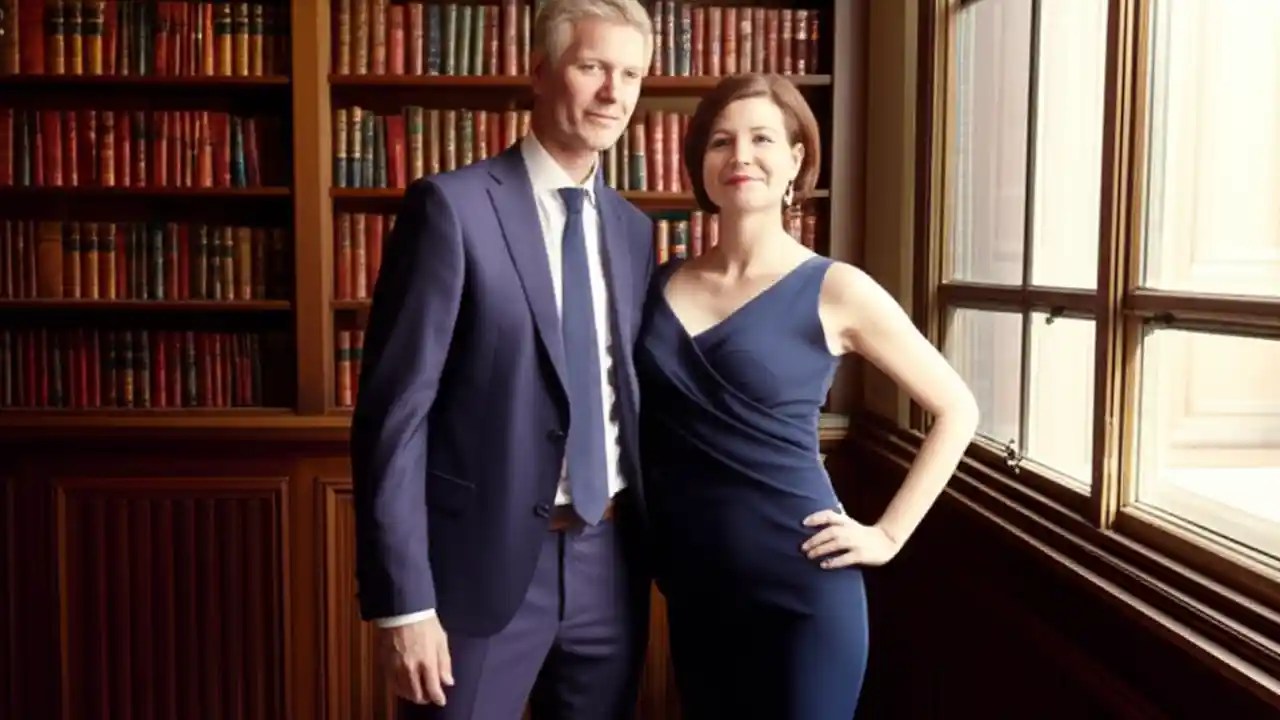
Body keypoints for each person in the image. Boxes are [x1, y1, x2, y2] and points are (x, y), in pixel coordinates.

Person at [636, 73, 981, 719]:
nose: (740, 155)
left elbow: (958, 408)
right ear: (700, 165)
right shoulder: (656, 284)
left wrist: (888, 535)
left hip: (801, 585)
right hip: (692, 589)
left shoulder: (837, 288)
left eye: (762, 138)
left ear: (796, 159)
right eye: (720, 141)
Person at [349, 2, 656, 718]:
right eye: (592, 67)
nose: (614, 92)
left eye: (631, 73)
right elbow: (395, 419)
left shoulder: (634, 232)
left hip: (609, 563)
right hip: (475, 574)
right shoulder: (451, 209)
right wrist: (404, 605)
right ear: (540, 73)